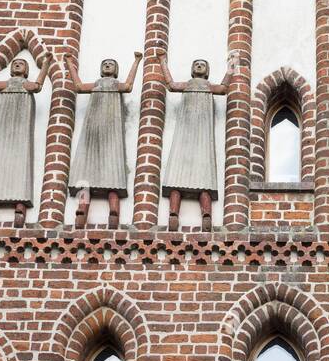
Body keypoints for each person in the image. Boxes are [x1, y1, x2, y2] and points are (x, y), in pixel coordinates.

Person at [67, 52, 142, 229]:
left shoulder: (116, 84)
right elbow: (78, 86)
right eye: (105, 63)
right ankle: (82, 208)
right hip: (92, 130)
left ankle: (114, 210)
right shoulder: (96, 84)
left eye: (111, 64)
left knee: (113, 173)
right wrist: (70, 63)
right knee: (85, 176)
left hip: (111, 130)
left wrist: (136, 61)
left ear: (116, 71)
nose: (107, 65)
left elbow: (129, 85)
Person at [0, 55, 51, 226]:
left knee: (20, 162)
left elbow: (37, 86)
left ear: (26, 71)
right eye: (15, 63)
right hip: (1, 128)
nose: (17, 64)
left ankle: (20, 205)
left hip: (20, 128)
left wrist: (46, 65)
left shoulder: (26, 85)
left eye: (22, 63)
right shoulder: (6, 84)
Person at [159, 57, 232, 232]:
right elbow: (171, 85)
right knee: (177, 175)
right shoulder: (188, 84)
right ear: (192, 69)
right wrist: (163, 63)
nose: (199, 66)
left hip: (203, 134)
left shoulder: (208, 86)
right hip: (184, 132)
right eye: (196, 64)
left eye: (203, 64)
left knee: (204, 175)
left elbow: (222, 88)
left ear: (207, 71)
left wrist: (231, 67)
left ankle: (206, 214)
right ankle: (173, 213)